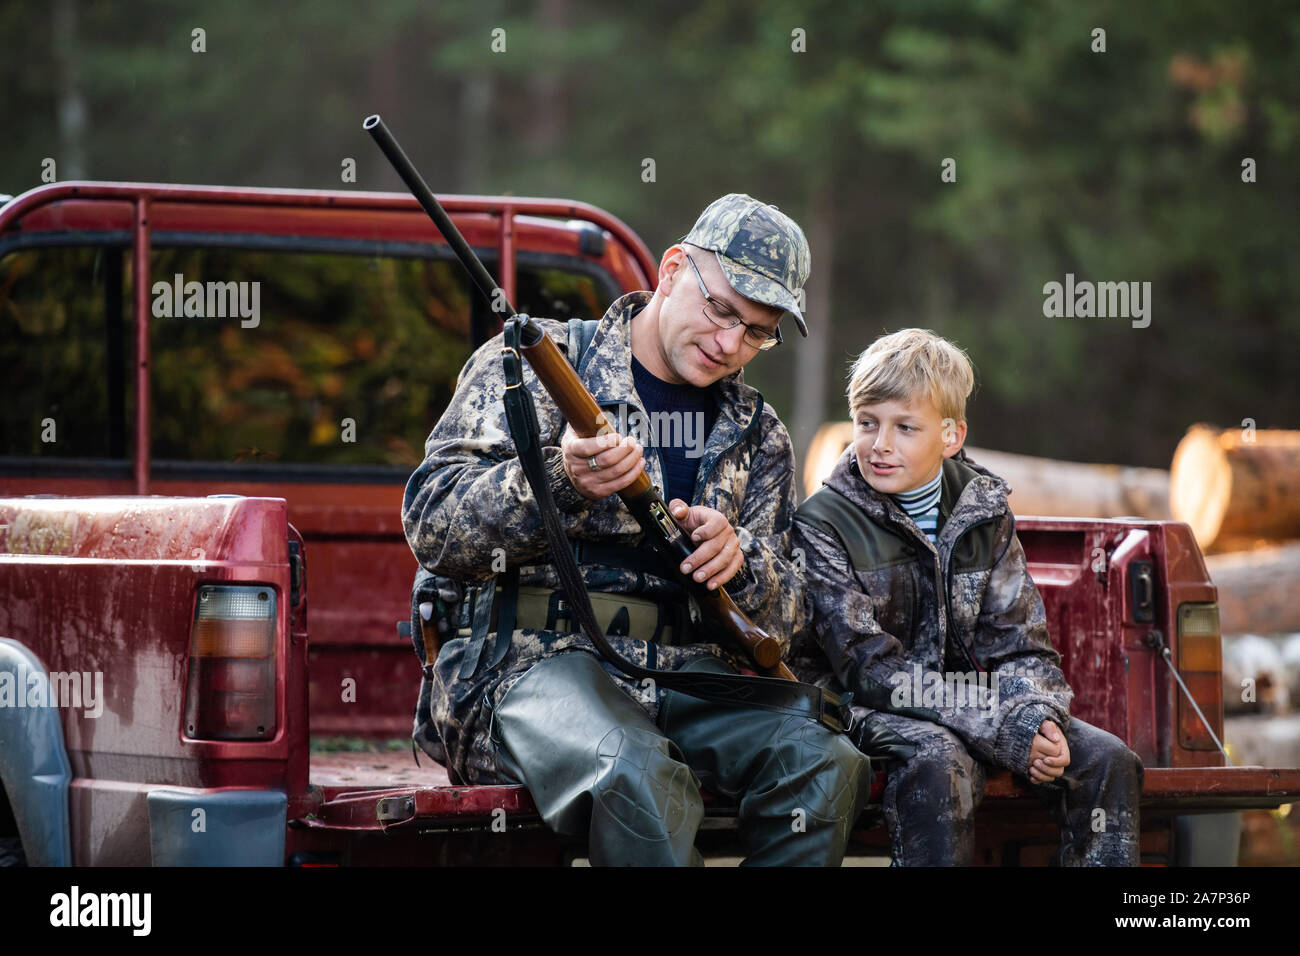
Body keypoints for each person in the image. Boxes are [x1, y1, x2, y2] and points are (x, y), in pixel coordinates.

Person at [402, 194, 871, 866]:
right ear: (673, 269)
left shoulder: (758, 433)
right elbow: (433, 526)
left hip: (688, 676)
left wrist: (739, 563)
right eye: (721, 311)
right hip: (525, 665)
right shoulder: (529, 369)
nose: (729, 344)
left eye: (757, 332)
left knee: (826, 765)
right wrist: (557, 483)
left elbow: (793, 617)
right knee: (637, 772)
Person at [788, 328, 1144, 866]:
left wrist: (1039, 717)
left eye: (905, 427)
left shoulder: (984, 514)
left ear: (951, 436)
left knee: (1107, 759)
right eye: (867, 423)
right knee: (940, 758)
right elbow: (870, 670)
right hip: (855, 705)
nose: (880, 444)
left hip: (976, 705)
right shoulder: (823, 523)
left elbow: (1021, 643)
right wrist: (1002, 724)